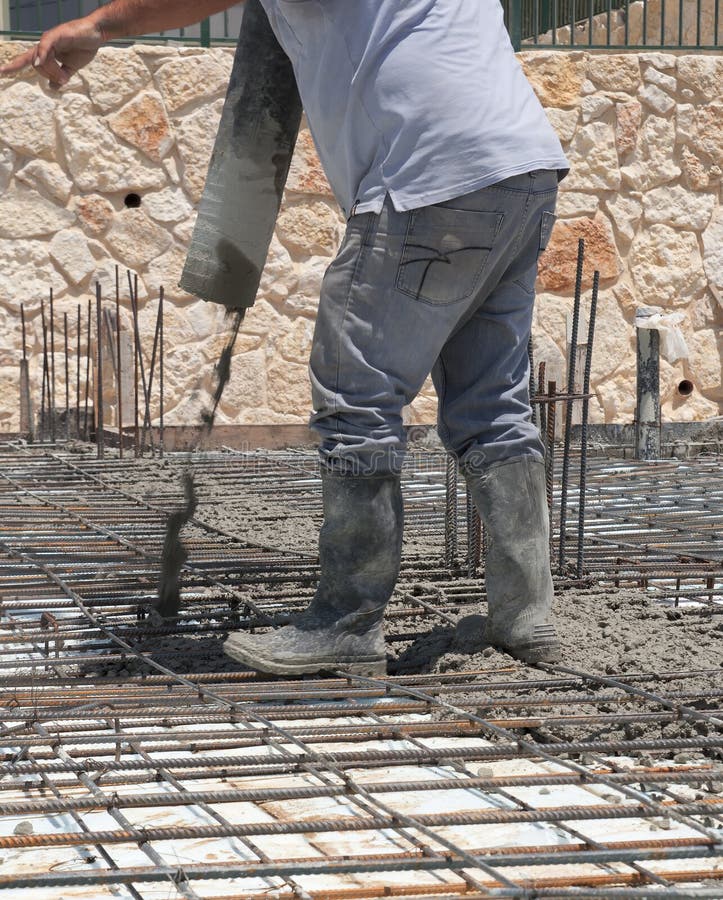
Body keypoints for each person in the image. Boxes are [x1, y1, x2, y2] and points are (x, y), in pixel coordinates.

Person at [2, 0, 569, 677]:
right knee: (493, 407)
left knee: (356, 399)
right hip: (520, 168)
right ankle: (526, 615)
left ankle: (347, 622)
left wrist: (94, 25)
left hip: (426, 175)